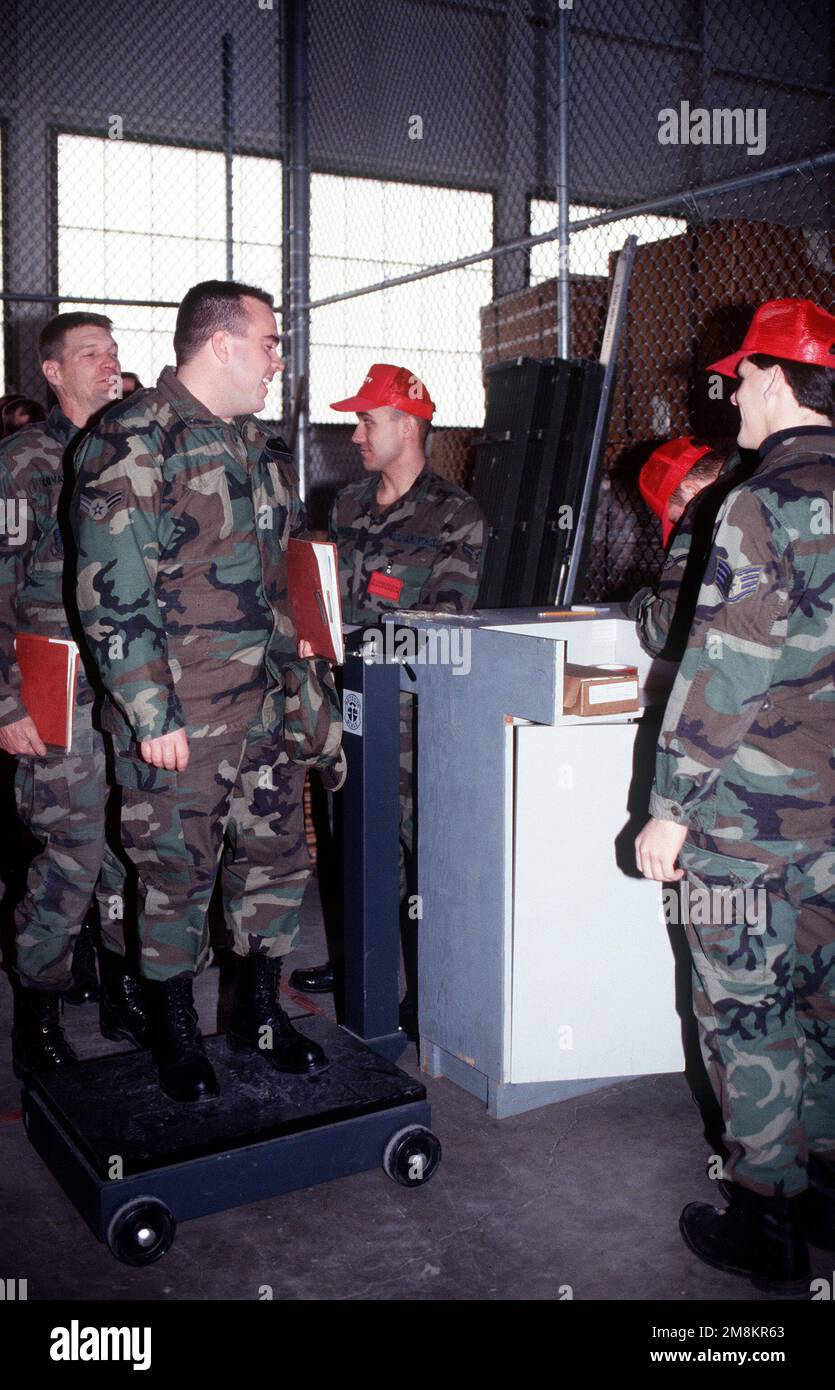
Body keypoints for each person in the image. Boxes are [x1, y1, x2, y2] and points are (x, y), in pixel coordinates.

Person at [71, 280, 343, 1103]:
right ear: (220, 344)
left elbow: (281, 573)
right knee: (173, 875)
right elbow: (111, 592)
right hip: (182, 716)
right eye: (267, 342)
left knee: (272, 859)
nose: (275, 359)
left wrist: (306, 690)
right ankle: (176, 1030)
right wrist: (149, 713)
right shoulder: (132, 438)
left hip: (264, 704)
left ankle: (261, 1015)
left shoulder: (252, 441)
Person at [635, 297, 835, 1294]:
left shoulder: (759, 503)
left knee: (747, 1011)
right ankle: (824, 1185)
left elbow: (724, 668)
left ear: (768, 376)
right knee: (827, 1001)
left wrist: (670, 805)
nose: (730, 395)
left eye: (738, 377)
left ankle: (765, 1221)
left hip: (749, 828)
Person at [290, 363, 486, 1036]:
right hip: (343, 699)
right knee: (348, 838)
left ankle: (423, 984)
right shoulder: (344, 504)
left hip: (408, 713)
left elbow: (444, 620)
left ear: (407, 424)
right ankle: (357, 961)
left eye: (368, 420)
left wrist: (355, 633)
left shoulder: (453, 514)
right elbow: (327, 593)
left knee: (412, 850)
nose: (357, 433)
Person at [0, 312, 147, 1081]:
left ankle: (123, 987)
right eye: (90, 354)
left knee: (131, 845)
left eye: (114, 352)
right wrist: (6, 703)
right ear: (53, 372)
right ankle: (39, 1009)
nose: (108, 364)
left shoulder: (134, 448)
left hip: (131, 684)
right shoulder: (26, 460)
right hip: (55, 684)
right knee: (72, 855)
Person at [627, 436, 757, 661]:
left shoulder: (702, 507)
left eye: (677, 518)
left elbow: (666, 636)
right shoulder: (767, 468)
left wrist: (640, 602)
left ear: (690, 490)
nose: (680, 526)